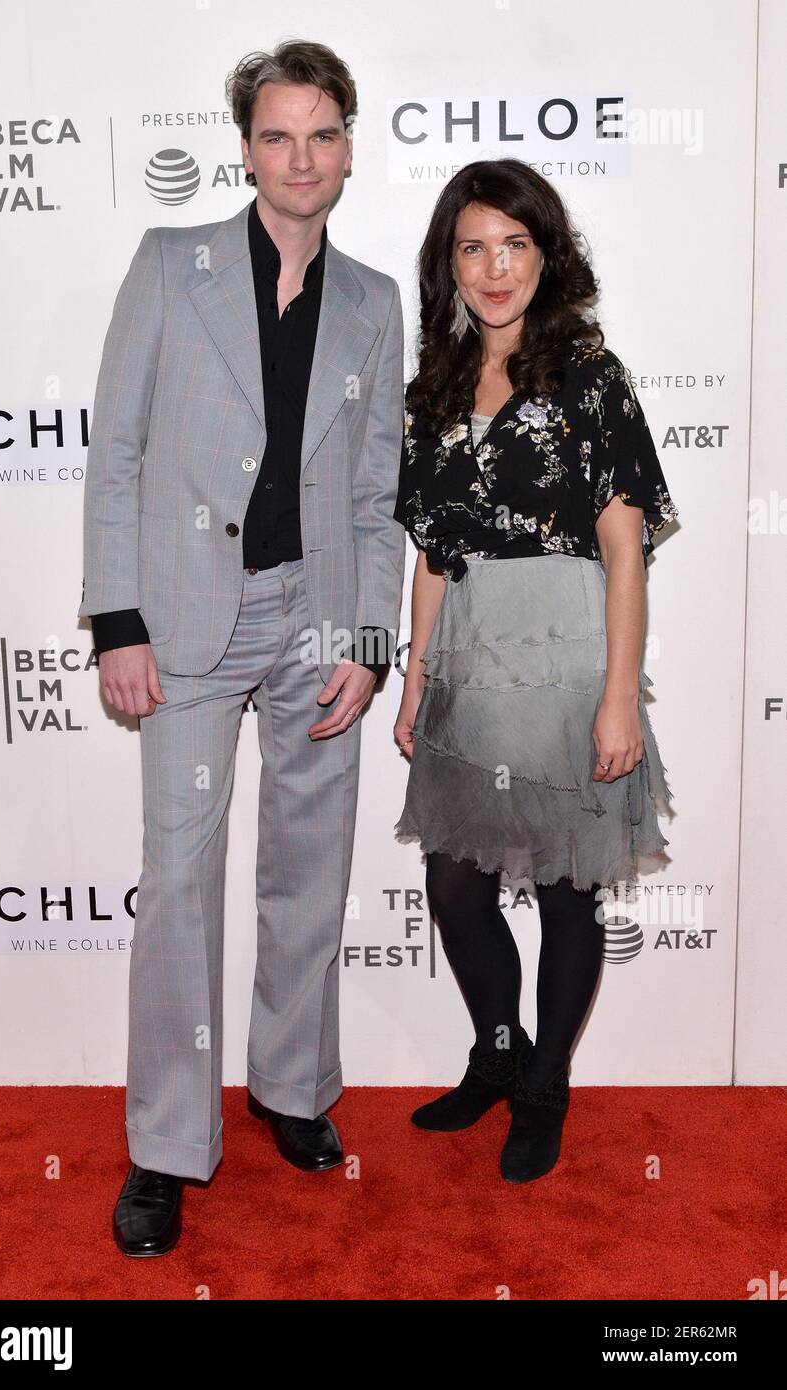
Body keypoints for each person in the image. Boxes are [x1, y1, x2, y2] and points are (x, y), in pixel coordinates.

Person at [77, 40, 405, 1255]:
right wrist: (118, 617)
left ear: (349, 147)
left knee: (307, 865)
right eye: (278, 135)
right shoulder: (174, 266)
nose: (300, 157)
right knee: (177, 879)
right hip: (187, 619)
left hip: (316, 618)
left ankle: (290, 1086)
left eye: (321, 134)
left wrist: (371, 635)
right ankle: (166, 1143)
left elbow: (374, 499)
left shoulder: (373, 301)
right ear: (246, 147)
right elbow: (114, 452)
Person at [392, 158, 679, 1184]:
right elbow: (430, 552)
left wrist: (617, 699)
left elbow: (622, 547)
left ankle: (545, 1083)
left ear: (543, 255)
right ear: (450, 264)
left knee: (565, 886)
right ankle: (495, 1051)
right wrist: (416, 677)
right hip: (469, 655)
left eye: (512, 243)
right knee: (454, 884)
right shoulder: (431, 386)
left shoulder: (587, 374)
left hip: (566, 656)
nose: (493, 265)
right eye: (472, 246)